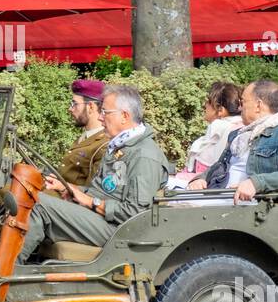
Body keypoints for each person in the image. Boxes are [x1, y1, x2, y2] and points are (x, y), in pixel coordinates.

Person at [19, 85, 174, 261]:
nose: (100, 118)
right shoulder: (122, 146)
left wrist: (92, 202)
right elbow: (106, 190)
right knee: (30, 193)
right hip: (103, 219)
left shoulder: (144, 155)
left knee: (39, 204)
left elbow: (135, 213)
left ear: (124, 116)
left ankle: (7, 273)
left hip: (119, 230)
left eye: (106, 112)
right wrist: (70, 189)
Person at [187, 79, 278, 204]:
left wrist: (255, 183)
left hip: (253, 205)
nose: (239, 107)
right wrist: (201, 178)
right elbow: (219, 165)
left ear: (258, 106)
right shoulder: (236, 135)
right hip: (220, 195)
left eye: (242, 102)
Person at [166, 81, 243, 190]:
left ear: (220, 110)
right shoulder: (235, 126)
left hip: (205, 186)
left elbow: (213, 171)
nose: (205, 105)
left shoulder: (221, 128)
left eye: (208, 101)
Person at [58, 78, 110, 186]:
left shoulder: (104, 145)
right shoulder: (86, 137)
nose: (70, 109)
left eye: (74, 104)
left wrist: (61, 187)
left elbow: (91, 193)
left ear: (90, 107)